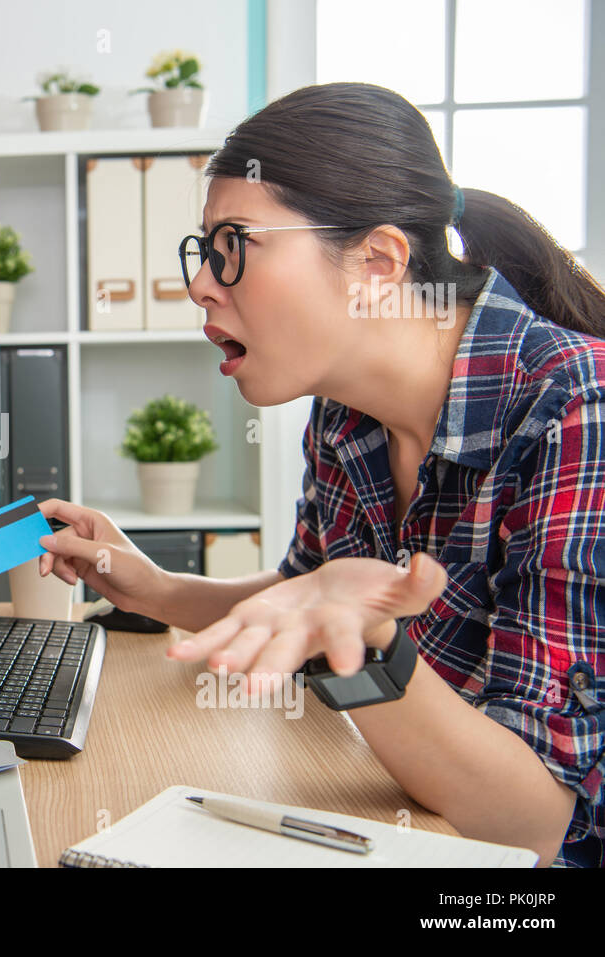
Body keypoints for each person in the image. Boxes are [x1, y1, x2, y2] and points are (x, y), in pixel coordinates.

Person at [37, 82, 605, 867]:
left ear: (376, 262)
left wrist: (373, 643)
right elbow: (307, 597)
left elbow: (535, 823)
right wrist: (151, 585)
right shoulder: (344, 412)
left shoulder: (576, 407)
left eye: (233, 246)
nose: (201, 283)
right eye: (203, 251)